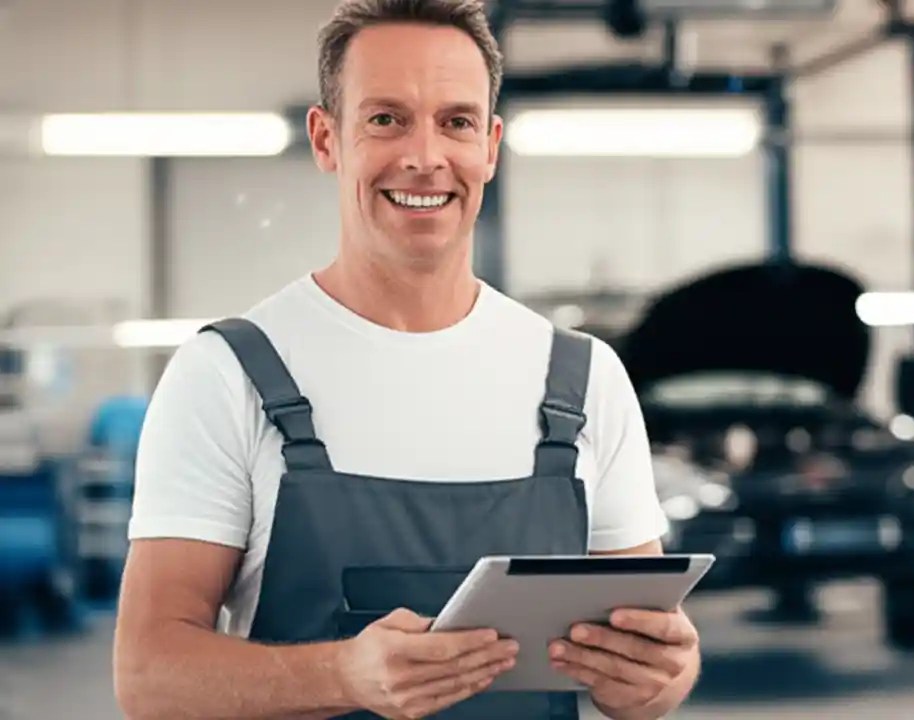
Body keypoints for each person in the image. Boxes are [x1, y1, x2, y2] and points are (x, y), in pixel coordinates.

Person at [112, 2, 700, 719]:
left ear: (490, 145)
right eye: (387, 119)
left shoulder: (584, 380)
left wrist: (660, 676)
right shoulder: (226, 374)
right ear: (327, 138)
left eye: (456, 122)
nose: (425, 156)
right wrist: (342, 675)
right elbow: (149, 678)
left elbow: (648, 673)